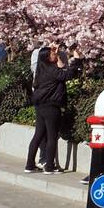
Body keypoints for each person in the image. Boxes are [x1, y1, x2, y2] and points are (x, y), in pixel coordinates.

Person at [25, 43, 81, 174]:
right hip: (51, 106)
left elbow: (62, 69)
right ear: (47, 58)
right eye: (52, 54)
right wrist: (77, 60)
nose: (55, 54)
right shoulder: (52, 71)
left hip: (40, 106)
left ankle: (29, 165)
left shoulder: (41, 69)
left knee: (38, 135)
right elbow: (69, 74)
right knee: (52, 136)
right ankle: (49, 166)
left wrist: (57, 56)